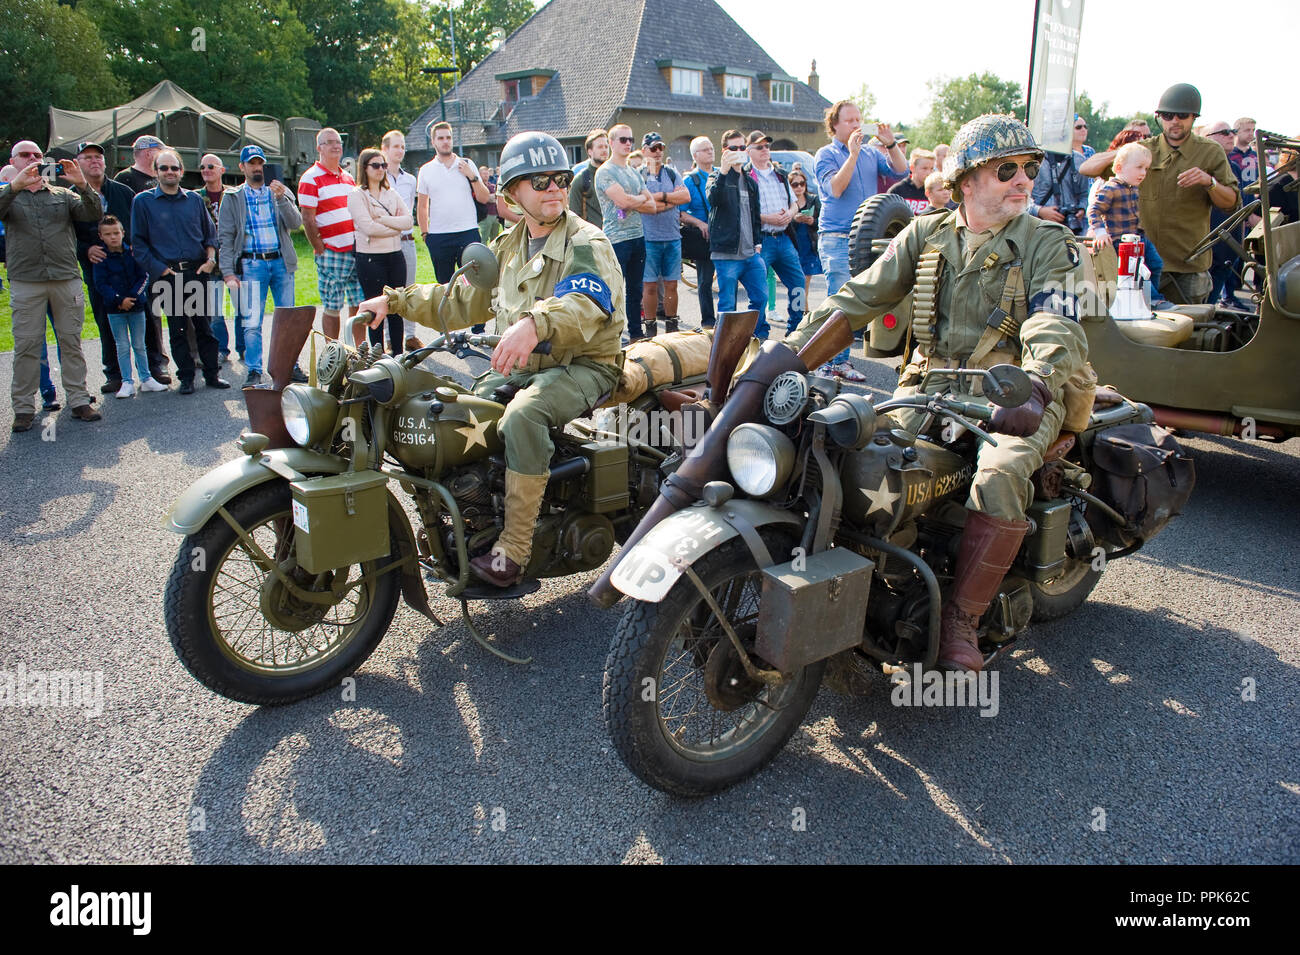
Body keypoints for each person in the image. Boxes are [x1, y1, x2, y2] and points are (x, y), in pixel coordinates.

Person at [787, 114, 1088, 674]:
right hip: (927, 387)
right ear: (967, 182)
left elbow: (1057, 325)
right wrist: (785, 360)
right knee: (857, 461)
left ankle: (962, 618)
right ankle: (875, 579)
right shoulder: (927, 234)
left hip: (1013, 394)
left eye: (1030, 169)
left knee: (998, 475)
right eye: (1007, 170)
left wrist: (1036, 388)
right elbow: (856, 300)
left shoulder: (1049, 243)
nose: (1024, 180)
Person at [358, 132, 625, 588]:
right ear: (512, 193)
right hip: (525, 367)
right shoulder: (507, 245)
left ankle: (514, 550)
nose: (555, 188)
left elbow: (585, 305)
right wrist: (395, 301)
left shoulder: (586, 242)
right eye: (540, 181)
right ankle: (470, 519)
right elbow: (457, 300)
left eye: (560, 178)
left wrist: (535, 323)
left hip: (585, 364)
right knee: (452, 415)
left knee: (522, 418)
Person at [1080, 84, 1240, 304]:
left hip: (1187, 267)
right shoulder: (1144, 151)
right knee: (1141, 330)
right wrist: (1124, 152)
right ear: (1159, 118)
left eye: (1182, 115)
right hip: (1142, 263)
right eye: (1167, 115)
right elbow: (1086, 168)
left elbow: (1232, 201)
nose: (1174, 121)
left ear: (1193, 117)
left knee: (1190, 333)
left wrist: (1209, 182)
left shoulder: (1210, 151)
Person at [1, 141, 103, 430]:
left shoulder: (62, 194)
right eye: (25, 155)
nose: (32, 159)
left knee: (71, 342)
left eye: (37, 155)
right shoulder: (7, 195)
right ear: (14, 161)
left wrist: (82, 184)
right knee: (27, 345)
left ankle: (79, 400)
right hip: (26, 281)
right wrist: (15, 187)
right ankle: (23, 407)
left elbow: (93, 213)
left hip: (64, 278)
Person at [814, 100, 906, 377]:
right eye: (850, 121)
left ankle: (840, 361)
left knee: (859, 301)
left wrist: (890, 145)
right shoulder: (826, 154)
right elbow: (835, 189)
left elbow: (901, 171)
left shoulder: (871, 153)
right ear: (835, 125)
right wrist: (852, 154)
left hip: (865, 236)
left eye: (859, 120)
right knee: (840, 300)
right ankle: (830, 362)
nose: (856, 125)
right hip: (837, 236)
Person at [131, 149, 230, 394]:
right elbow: (139, 245)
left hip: (197, 272)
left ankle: (212, 374)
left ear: (181, 171)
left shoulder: (195, 200)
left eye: (174, 168)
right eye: (164, 168)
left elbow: (210, 234)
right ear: (156, 172)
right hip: (167, 276)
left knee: (204, 327)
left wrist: (210, 259)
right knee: (178, 329)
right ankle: (186, 377)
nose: (169, 172)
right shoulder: (143, 202)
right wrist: (161, 270)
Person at [218, 145, 304, 387]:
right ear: (242, 167)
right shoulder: (233, 196)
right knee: (252, 321)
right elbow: (225, 236)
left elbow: (296, 223)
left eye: (260, 163)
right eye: (252, 163)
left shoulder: (278, 191)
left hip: (280, 262)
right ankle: (254, 369)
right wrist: (227, 272)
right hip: (251, 263)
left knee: (287, 318)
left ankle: (291, 365)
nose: (257, 168)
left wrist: (282, 199)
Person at [70, 140, 138, 395]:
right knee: (106, 319)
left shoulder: (122, 192)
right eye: (87, 157)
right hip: (98, 269)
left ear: (105, 162)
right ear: (78, 163)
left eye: (98, 157)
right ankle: (115, 374)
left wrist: (130, 248)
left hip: (129, 266)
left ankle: (152, 368)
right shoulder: (69, 194)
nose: (94, 161)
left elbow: (137, 226)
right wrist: (85, 249)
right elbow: (65, 233)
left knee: (144, 316)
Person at [417, 121, 491, 333]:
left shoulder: (466, 164)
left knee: (475, 280)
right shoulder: (426, 170)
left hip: (468, 231)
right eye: (440, 138)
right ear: (433, 142)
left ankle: (479, 327)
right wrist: (425, 233)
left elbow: (485, 197)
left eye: (448, 137)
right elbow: (422, 205)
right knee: (444, 285)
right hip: (439, 235)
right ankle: (447, 326)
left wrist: (472, 175)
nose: (445, 141)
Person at [299, 127, 365, 343]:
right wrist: (319, 247)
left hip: (354, 250)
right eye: (329, 142)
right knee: (333, 307)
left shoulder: (347, 178)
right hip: (331, 251)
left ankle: (358, 352)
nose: (336, 146)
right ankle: (333, 354)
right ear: (319, 148)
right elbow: (308, 218)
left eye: (338, 142)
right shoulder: (311, 178)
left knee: (358, 303)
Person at [91, 216, 165, 398]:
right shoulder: (101, 259)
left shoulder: (133, 254)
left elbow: (144, 277)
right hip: (114, 310)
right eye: (108, 234)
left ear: (123, 233)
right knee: (122, 345)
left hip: (137, 307)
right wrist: (119, 300)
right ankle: (127, 381)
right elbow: (100, 284)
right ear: (101, 236)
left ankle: (146, 378)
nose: (113, 237)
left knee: (140, 344)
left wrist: (132, 297)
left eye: (116, 233)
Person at [349, 146, 412, 355]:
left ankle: (398, 354)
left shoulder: (391, 194)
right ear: (364, 168)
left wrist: (384, 219)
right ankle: (376, 355)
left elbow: (408, 221)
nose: (380, 169)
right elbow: (368, 227)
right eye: (375, 165)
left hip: (394, 256)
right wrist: (394, 227)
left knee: (396, 306)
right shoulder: (357, 195)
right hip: (370, 259)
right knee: (374, 308)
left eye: (383, 165)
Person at [596, 123, 655, 340]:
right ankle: (611, 336)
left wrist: (634, 201)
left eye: (630, 139)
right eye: (623, 139)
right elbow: (622, 201)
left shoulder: (633, 172)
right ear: (611, 143)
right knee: (613, 291)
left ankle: (636, 334)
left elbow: (653, 206)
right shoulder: (605, 172)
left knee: (635, 290)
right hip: (616, 239)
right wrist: (638, 199)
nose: (628, 143)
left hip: (638, 237)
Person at [747, 130, 808, 339]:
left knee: (798, 284)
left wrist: (789, 215)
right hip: (761, 240)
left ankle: (796, 329)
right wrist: (767, 218)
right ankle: (759, 333)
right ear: (749, 151)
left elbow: (795, 203)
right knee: (759, 290)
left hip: (783, 239)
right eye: (759, 147)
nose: (765, 150)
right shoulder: (746, 176)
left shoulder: (780, 174)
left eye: (767, 146)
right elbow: (746, 210)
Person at [1087, 142, 1166, 304]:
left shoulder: (1133, 188)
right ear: (1119, 168)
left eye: (1146, 168)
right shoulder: (1110, 188)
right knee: (1135, 271)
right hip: (1120, 242)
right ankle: (1152, 300)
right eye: (1139, 167)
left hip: (1137, 238)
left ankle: (1148, 298)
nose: (1143, 173)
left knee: (1155, 264)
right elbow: (1094, 210)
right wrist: (1100, 231)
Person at [707, 129, 768, 333]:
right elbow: (713, 199)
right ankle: (725, 346)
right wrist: (724, 172)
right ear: (724, 150)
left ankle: (754, 338)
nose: (739, 151)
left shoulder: (750, 180)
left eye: (743, 147)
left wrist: (758, 244)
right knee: (727, 306)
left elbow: (756, 215)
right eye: (734, 148)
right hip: (726, 255)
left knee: (761, 298)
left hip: (751, 254)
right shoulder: (716, 175)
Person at [639, 132, 690, 335]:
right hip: (648, 239)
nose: (658, 152)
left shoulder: (671, 173)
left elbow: (685, 196)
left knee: (671, 285)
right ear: (644, 151)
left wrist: (660, 197)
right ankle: (650, 329)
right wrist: (670, 202)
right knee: (649, 286)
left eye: (660, 147)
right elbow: (640, 204)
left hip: (672, 237)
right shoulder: (638, 175)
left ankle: (672, 327)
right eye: (653, 148)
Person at [378, 130, 422, 350]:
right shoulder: (378, 178)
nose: (400, 151)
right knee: (389, 290)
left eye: (403, 147)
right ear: (384, 149)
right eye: (395, 146)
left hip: (407, 239)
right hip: (386, 240)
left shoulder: (410, 179)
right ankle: (389, 338)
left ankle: (410, 336)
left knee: (409, 287)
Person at [1201, 122, 1246, 304]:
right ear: (1206, 139)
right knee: (1197, 308)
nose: (1231, 135)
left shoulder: (1234, 167)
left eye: (1233, 132)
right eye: (1225, 132)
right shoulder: (1200, 167)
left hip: (1229, 248)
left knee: (1210, 308)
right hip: (1206, 249)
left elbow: (1239, 206)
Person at [1029, 116, 1093, 236]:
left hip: (1072, 230)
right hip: (1040, 228)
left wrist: (1081, 209)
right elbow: (1021, 198)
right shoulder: (1035, 161)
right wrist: (1040, 211)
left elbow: (1085, 194)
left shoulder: (1079, 160)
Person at [681, 136, 717, 327]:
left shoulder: (722, 174)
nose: (711, 151)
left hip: (725, 236)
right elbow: (680, 213)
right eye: (705, 149)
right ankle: (709, 322)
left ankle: (730, 321)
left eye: (711, 148)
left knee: (730, 279)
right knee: (704, 282)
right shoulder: (690, 180)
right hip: (704, 238)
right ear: (695, 155)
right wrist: (699, 224)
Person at [788, 168, 821, 309]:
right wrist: (794, 219)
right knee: (796, 281)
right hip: (793, 245)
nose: (799, 187)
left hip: (809, 244)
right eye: (795, 185)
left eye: (802, 183)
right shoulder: (788, 202)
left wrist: (812, 221)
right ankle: (801, 310)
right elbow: (783, 223)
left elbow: (822, 222)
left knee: (804, 281)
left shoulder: (813, 200)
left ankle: (803, 309)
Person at [569, 129, 610, 228]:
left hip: (616, 237)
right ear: (590, 151)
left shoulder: (615, 176)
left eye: (606, 146)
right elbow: (574, 216)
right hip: (593, 237)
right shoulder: (581, 180)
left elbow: (620, 208)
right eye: (600, 147)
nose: (604, 150)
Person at [887, 147, 937, 215]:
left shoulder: (935, 190)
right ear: (912, 168)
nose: (929, 173)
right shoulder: (897, 190)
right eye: (924, 168)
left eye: (931, 169)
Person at [1228, 118, 1259, 189]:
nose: (1251, 133)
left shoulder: (1256, 155)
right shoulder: (1228, 154)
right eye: (1247, 130)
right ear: (1236, 132)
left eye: (1253, 130)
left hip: (1252, 198)